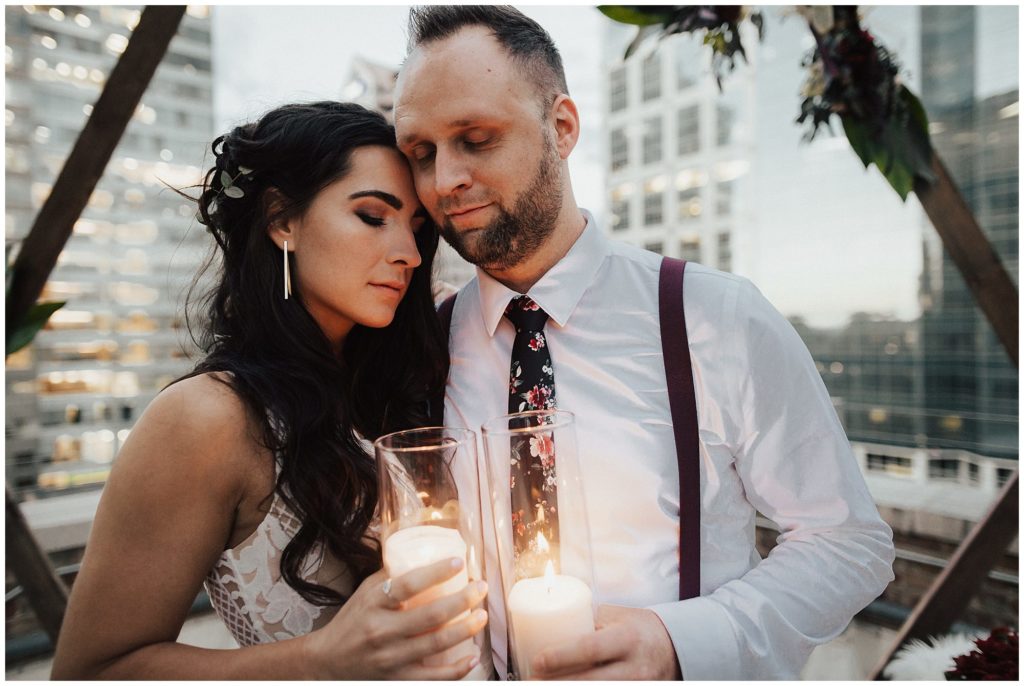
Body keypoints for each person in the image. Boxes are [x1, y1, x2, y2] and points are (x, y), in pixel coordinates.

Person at [393, 6, 896, 680]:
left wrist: (678, 642)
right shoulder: (425, 342)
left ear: (562, 126)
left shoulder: (717, 316)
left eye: (476, 138)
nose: (443, 179)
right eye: (420, 153)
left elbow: (849, 544)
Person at [51, 102, 488, 680]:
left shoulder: (398, 385)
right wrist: (318, 660)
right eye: (372, 217)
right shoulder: (207, 419)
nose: (408, 254)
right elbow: (90, 671)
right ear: (282, 218)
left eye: (415, 229)